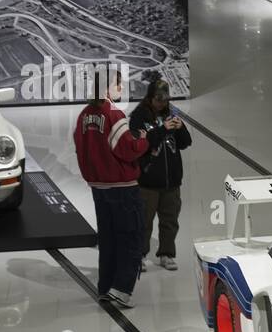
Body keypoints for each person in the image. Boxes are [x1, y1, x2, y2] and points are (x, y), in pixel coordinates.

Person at [74, 70, 149, 308]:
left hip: (99, 187)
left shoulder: (85, 115)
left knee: (108, 239)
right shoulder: (114, 114)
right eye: (119, 84)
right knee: (130, 238)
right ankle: (122, 290)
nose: (122, 88)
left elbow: (79, 145)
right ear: (107, 88)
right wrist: (144, 140)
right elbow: (128, 149)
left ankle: (105, 288)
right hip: (123, 187)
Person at [129, 78, 191, 272]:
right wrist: (163, 129)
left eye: (165, 100)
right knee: (143, 222)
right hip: (147, 181)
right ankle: (139, 255)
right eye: (158, 100)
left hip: (171, 181)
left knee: (170, 220)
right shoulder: (138, 116)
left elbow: (185, 142)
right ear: (150, 98)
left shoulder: (172, 113)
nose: (162, 103)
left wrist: (180, 129)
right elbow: (139, 145)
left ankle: (167, 254)